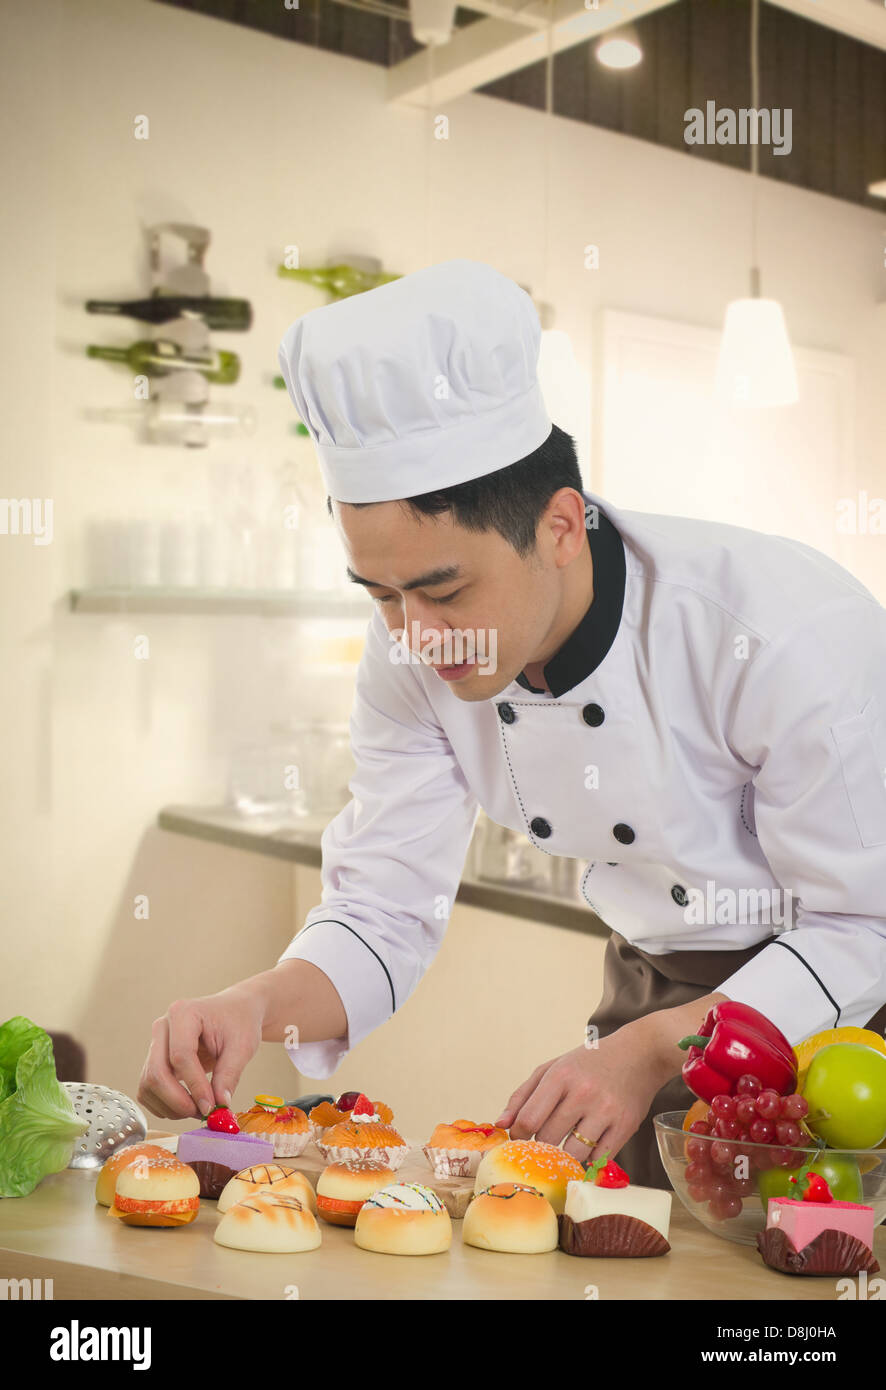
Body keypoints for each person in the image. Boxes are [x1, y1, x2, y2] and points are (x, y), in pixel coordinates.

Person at [138, 260, 886, 1186]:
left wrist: (650, 1052)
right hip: (649, 995)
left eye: (445, 590)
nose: (416, 637)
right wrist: (255, 1005)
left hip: (846, 1023)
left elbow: (865, 926)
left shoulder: (777, 632)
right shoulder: (408, 650)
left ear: (561, 527)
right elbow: (379, 912)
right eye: (380, 594)